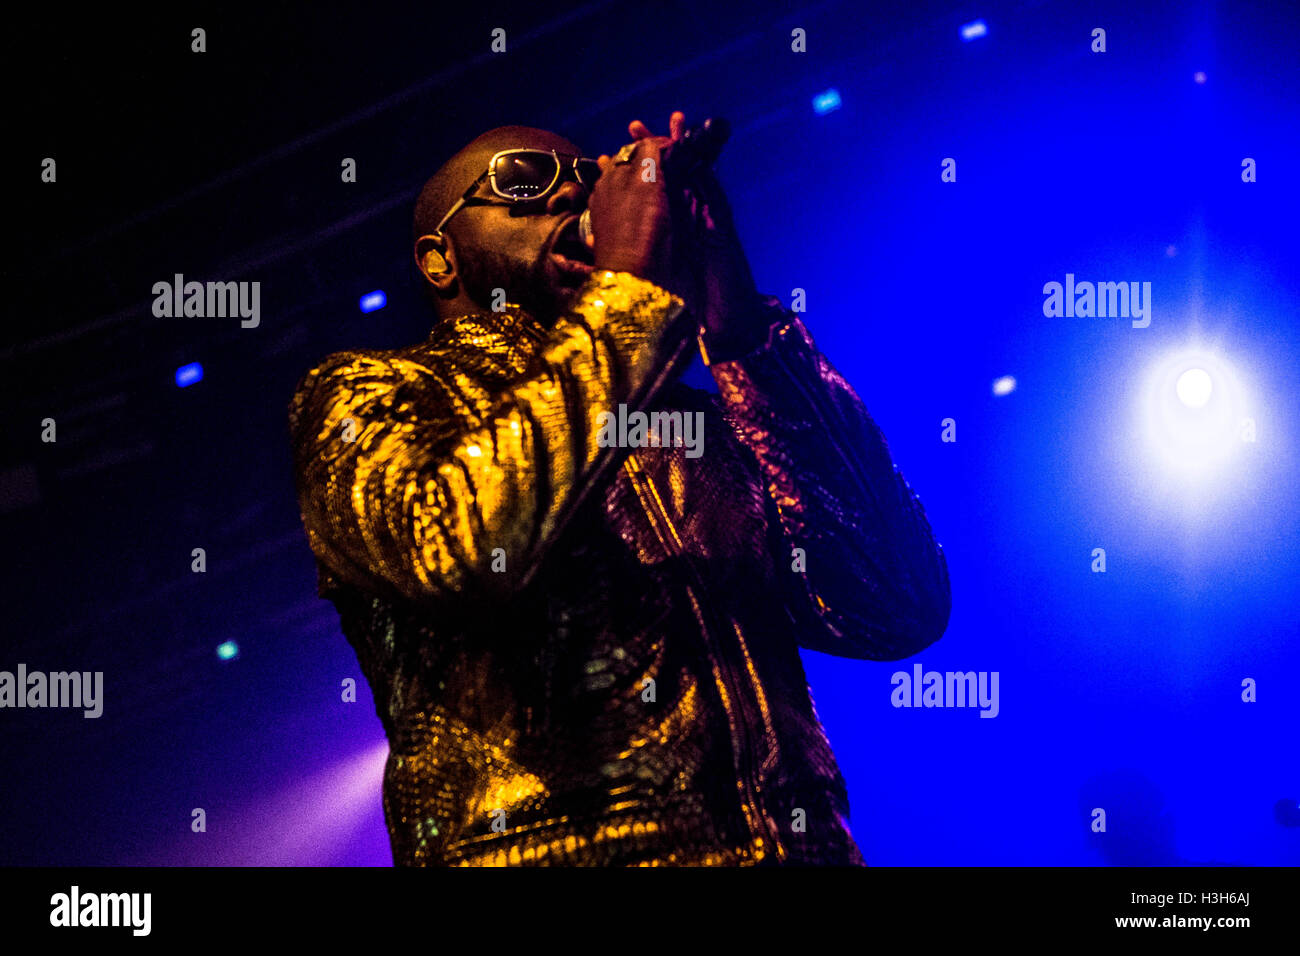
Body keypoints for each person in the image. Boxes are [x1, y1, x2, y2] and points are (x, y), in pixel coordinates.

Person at [289, 110, 951, 866]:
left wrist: (741, 336)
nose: (572, 196)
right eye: (523, 181)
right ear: (441, 260)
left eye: (588, 180)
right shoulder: (370, 394)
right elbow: (459, 552)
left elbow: (898, 607)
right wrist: (631, 297)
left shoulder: (689, 425)